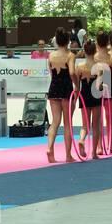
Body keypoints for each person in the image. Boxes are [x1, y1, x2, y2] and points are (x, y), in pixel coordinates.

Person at [45, 29, 75, 163]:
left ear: (56, 41)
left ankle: (49, 148)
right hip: (66, 89)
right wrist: (77, 85)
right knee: (67, 123)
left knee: (55, 121)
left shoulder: (51, 55)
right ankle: (68, 155)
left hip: (54, 87)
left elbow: (51, 73)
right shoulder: (70, 55)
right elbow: (72, 72)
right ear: (68, 41)